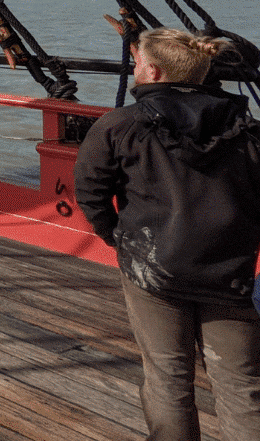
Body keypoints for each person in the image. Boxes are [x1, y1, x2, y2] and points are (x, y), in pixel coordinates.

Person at [75, 28, 260, 441]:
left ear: (153, 72)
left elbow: (91, 193)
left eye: (137, 62)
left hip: (153, 269)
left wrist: (121, 240)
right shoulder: (248, 130)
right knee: (242, 385)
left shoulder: (119, 125)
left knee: (168, 377)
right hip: (231, 273)